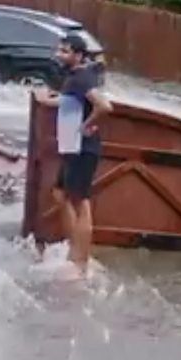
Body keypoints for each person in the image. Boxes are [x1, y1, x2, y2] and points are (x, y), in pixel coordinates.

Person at [33, 33, 113, 277]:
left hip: (83, 147)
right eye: (60, 50)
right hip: (72, 146)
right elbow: (72, 103)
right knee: (61, 194)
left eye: (65, 51)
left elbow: (104, 106)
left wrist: (86, 125)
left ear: (78, 55)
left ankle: (80, 261)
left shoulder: (82, 77)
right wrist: (49, 101)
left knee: (80, 202)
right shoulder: (74, 77)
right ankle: (73, 249)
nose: (60, 54)